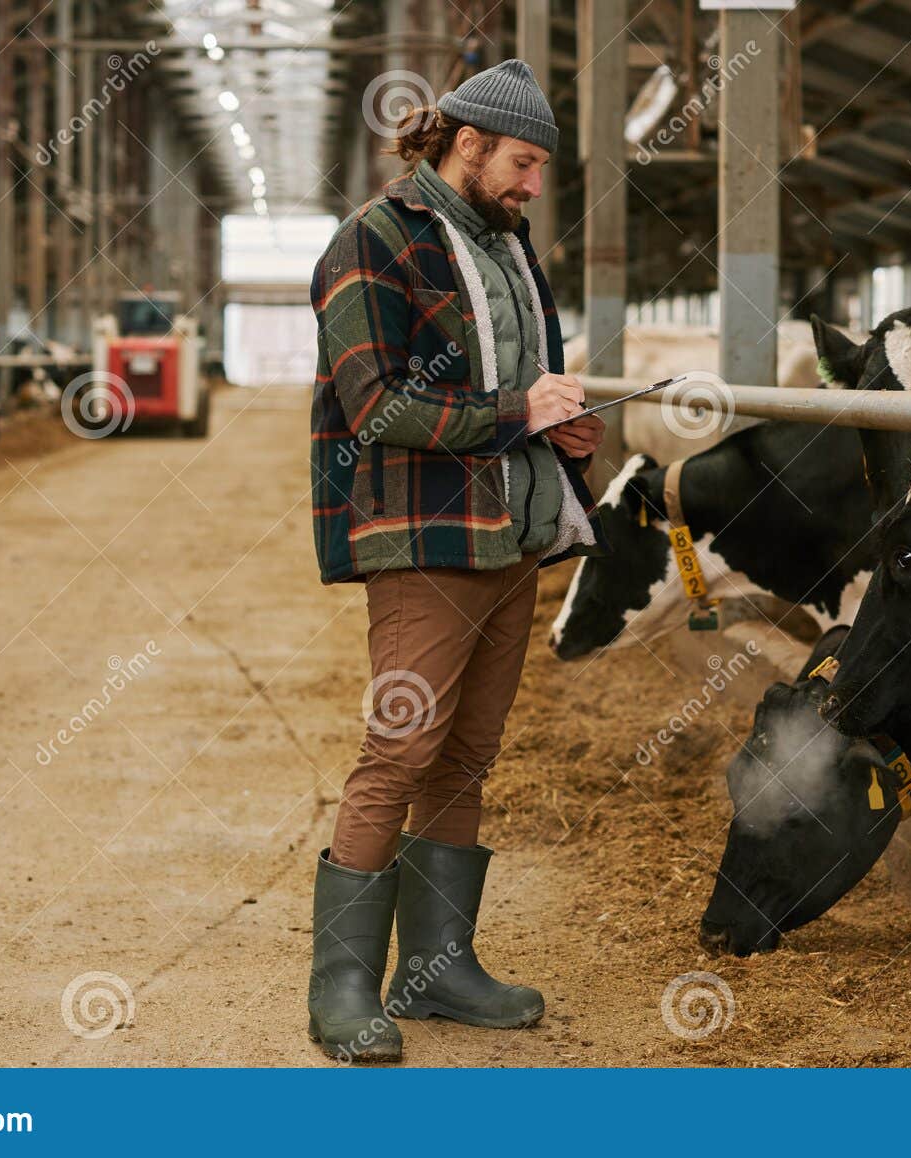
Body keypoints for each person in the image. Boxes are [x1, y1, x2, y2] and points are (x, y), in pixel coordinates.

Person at [306, 58, 606, 1063]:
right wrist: (514, 411)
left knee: (469, 753)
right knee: (400, 749)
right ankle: (341, 988)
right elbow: (377, 407)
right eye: (522, 163)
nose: (531, 185)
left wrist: (563, 431)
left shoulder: (512, 250)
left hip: (510, 533)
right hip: (423, 540)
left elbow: (528, 385)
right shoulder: (372, 242)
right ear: (467, 143)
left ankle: (437, 971)